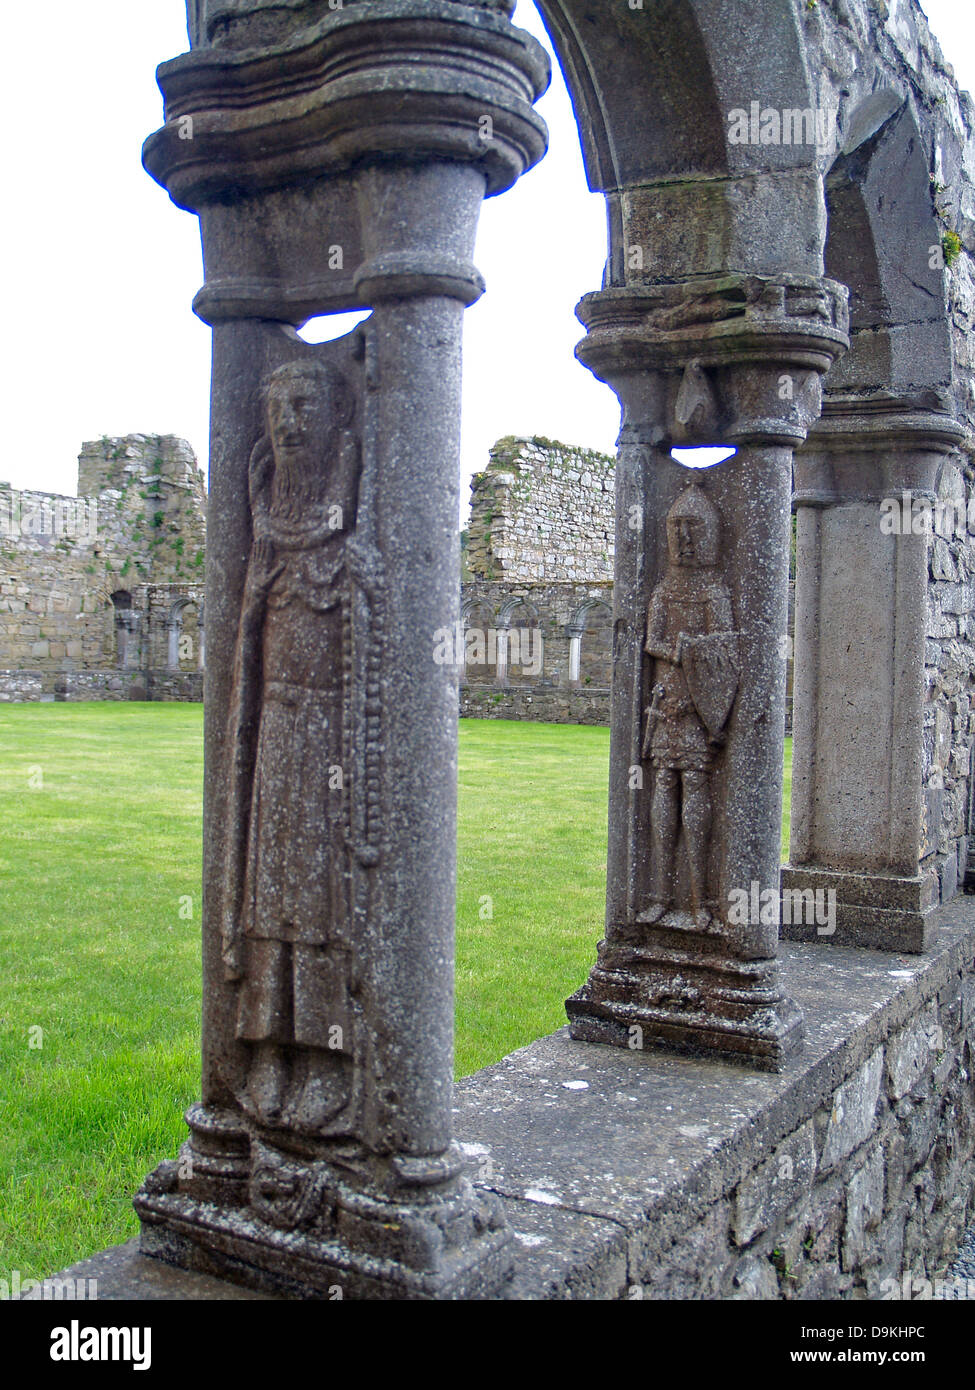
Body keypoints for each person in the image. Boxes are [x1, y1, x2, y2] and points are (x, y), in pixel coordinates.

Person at [638, 483, 737, 930]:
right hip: (665, 707)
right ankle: (660, 896)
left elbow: (726, 652)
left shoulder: (714, 592)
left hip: (697, 709)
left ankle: (701, 903)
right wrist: (681, 652)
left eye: (693, 530)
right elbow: (651, 641)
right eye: (677, 530)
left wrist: (690, 654)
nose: (685, 540)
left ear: (710, 535)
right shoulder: (663, 590)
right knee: (662, 800)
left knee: (696, 804)